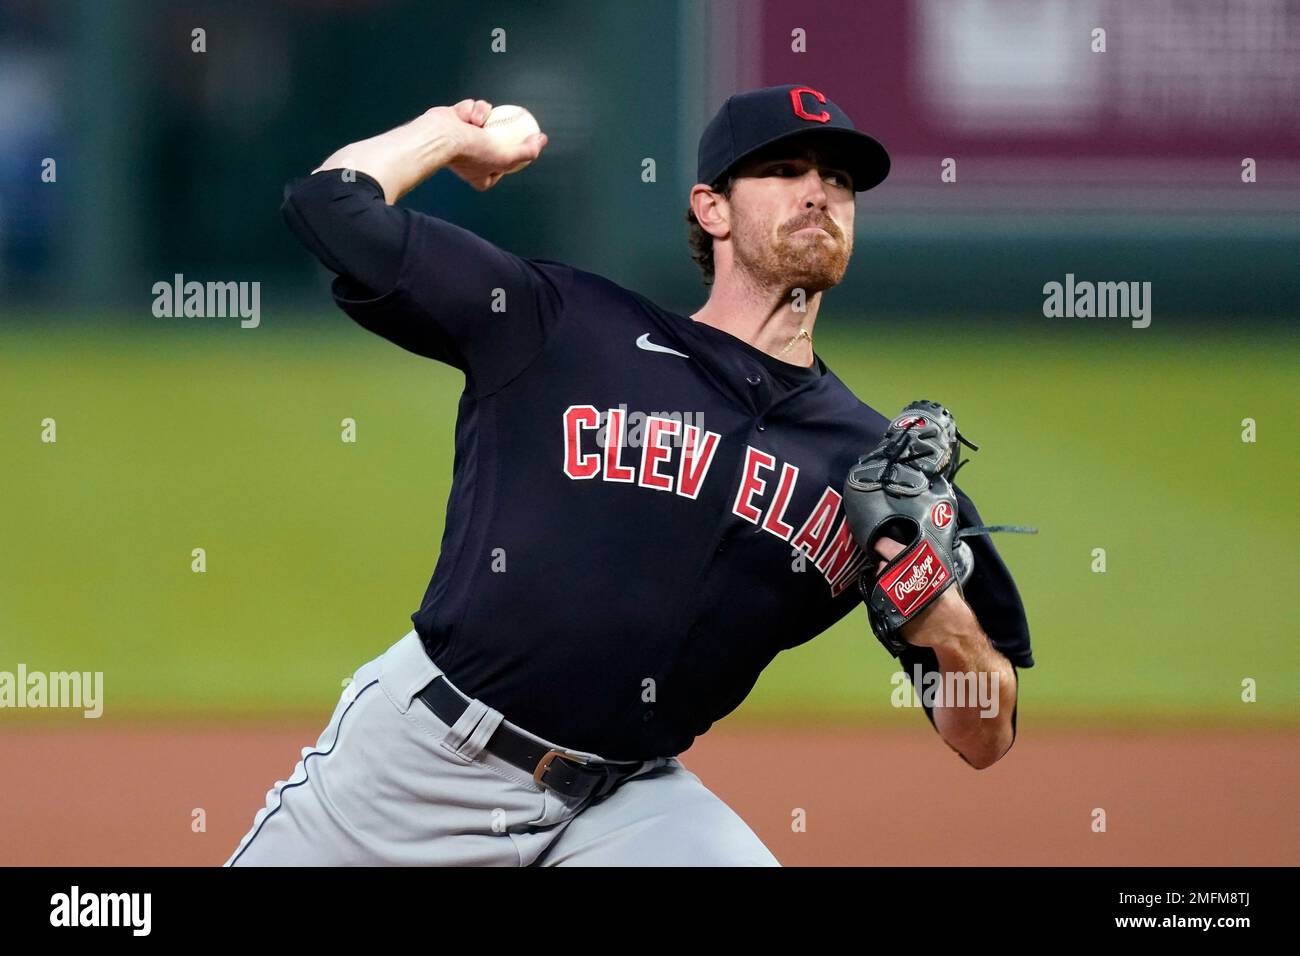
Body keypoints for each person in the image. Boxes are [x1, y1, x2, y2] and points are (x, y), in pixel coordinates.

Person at [225, 84, 1033, 867]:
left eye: (839, 180)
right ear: (711, 208)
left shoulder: (879, 468)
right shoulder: (566, 325)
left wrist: (939, 612)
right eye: (784, 171)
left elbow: (984, 737)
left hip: (625, 808)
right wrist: (453, 136)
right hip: (422, 767)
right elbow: (329, 204)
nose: (818, 192)